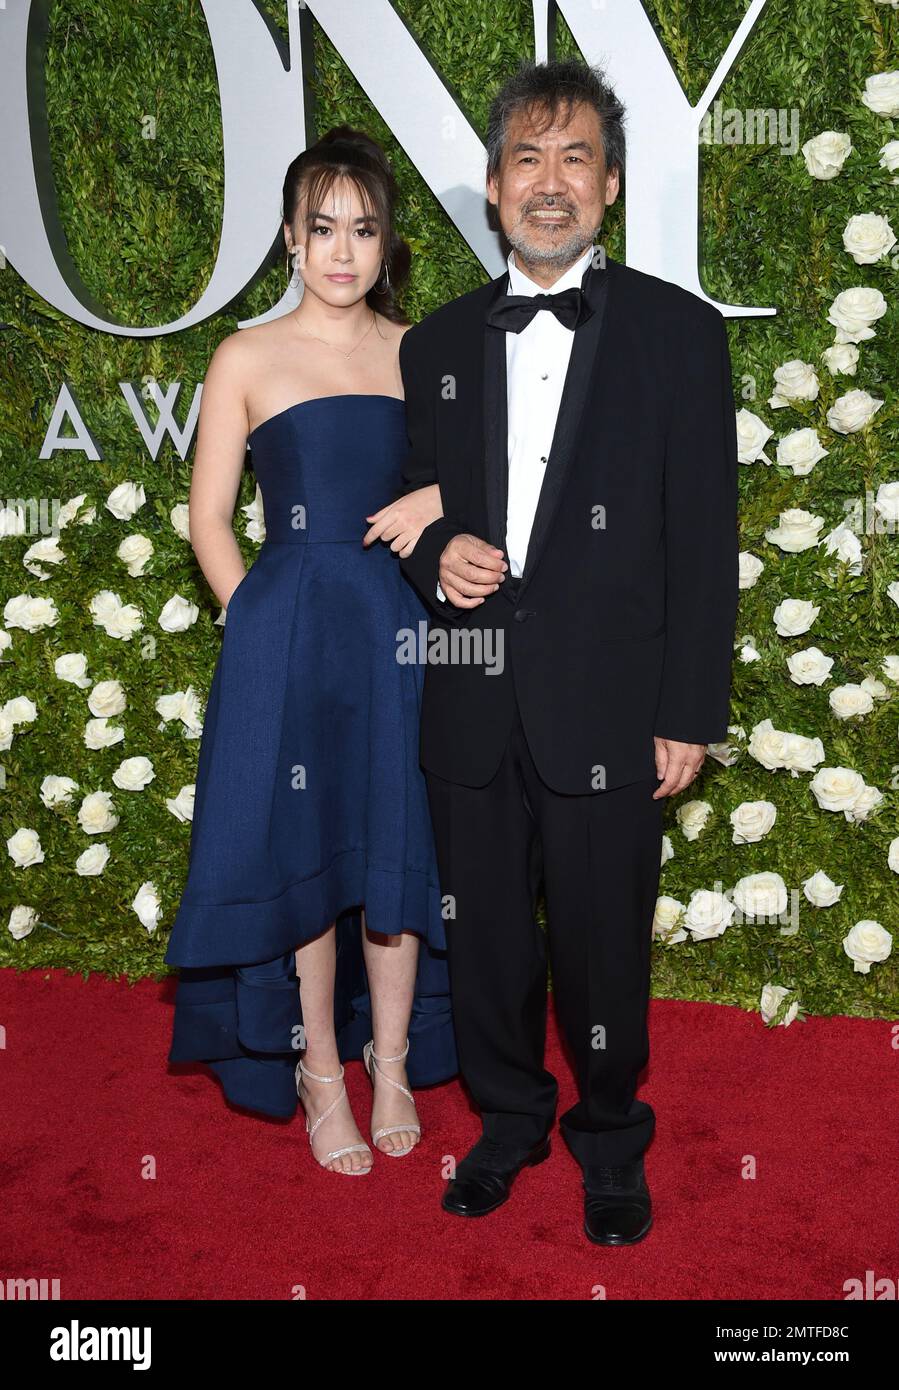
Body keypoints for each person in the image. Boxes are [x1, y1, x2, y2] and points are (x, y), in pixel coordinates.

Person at [397, 59, 739, 1241]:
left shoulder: (678, 336)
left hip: (611, 703)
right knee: (484, 939)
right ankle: (504, 1123)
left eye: (575, 157)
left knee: (603, 947)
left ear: (611, 184)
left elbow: (704, 538)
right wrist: (435, 544)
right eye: (526, 160)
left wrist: (688, 709)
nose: (550, 184)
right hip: (470, 703)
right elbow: (407, 503)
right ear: (492, 189)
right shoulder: (434, 343)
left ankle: (606, 1139)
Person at [164, 126, 458, 1175]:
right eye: (322, 227)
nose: (342, 249)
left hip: (400, 634)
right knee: (304, 857)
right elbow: (206, 519)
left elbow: (482, 481)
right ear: (290, 237)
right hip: (290, 634)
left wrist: (435, 496)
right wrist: (256, 626)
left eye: (363, 229)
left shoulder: (421, 351)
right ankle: (318, 1069)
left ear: (387, 244)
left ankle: (390, 1061)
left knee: (394, 847)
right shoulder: (245, 354)